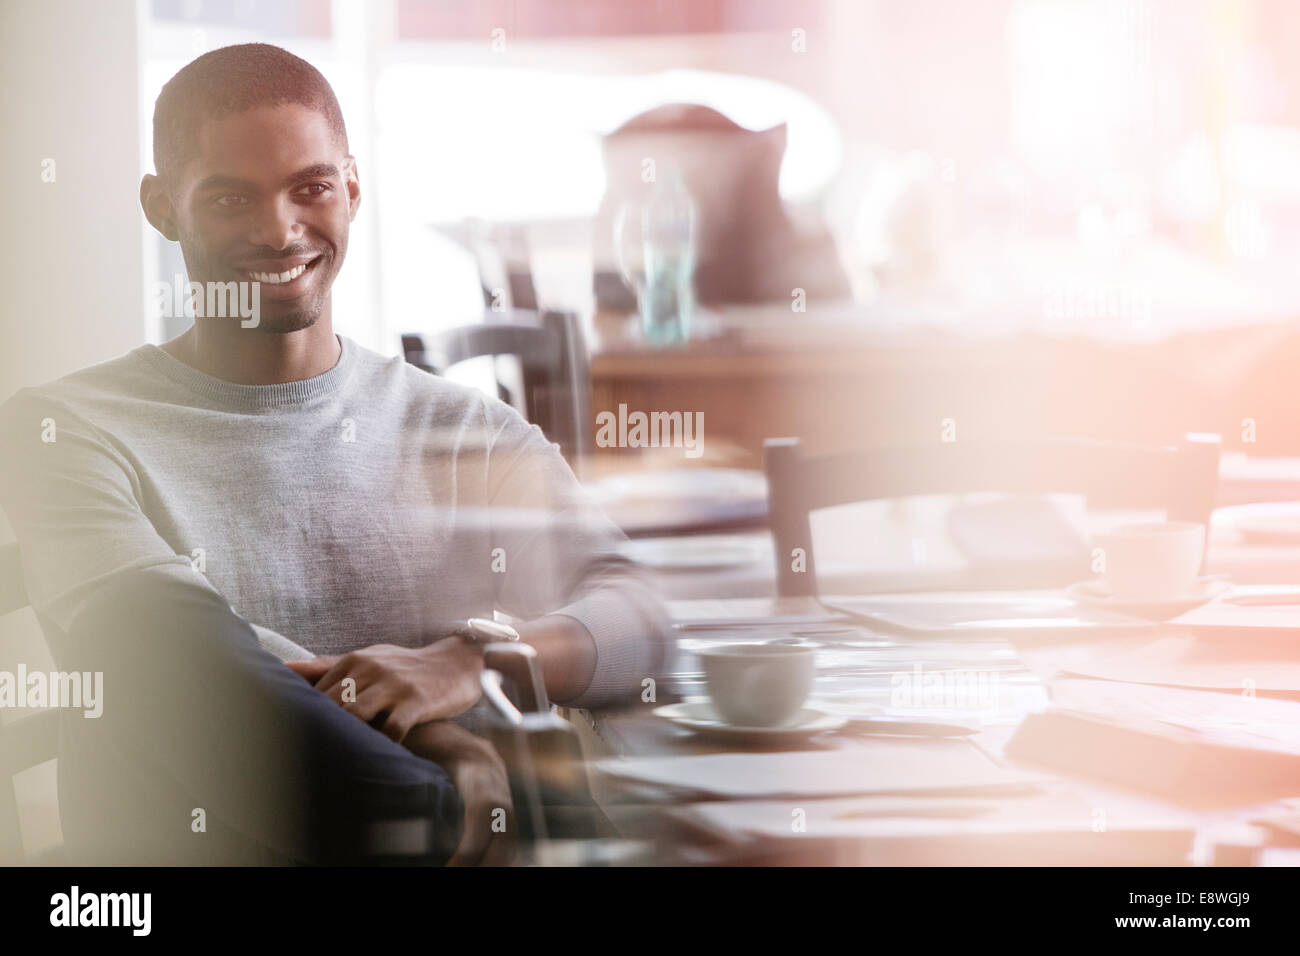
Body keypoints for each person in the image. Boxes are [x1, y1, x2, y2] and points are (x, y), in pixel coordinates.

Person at [0, 43, 672, 865]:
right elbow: (172, 656)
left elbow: (642, 619)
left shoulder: (463, 431)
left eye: (310, 187)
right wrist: (441, 752)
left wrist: (478, 659)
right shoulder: (65, 429)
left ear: (351, 188)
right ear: (161, 207)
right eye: (228, 198)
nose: (278, 229)